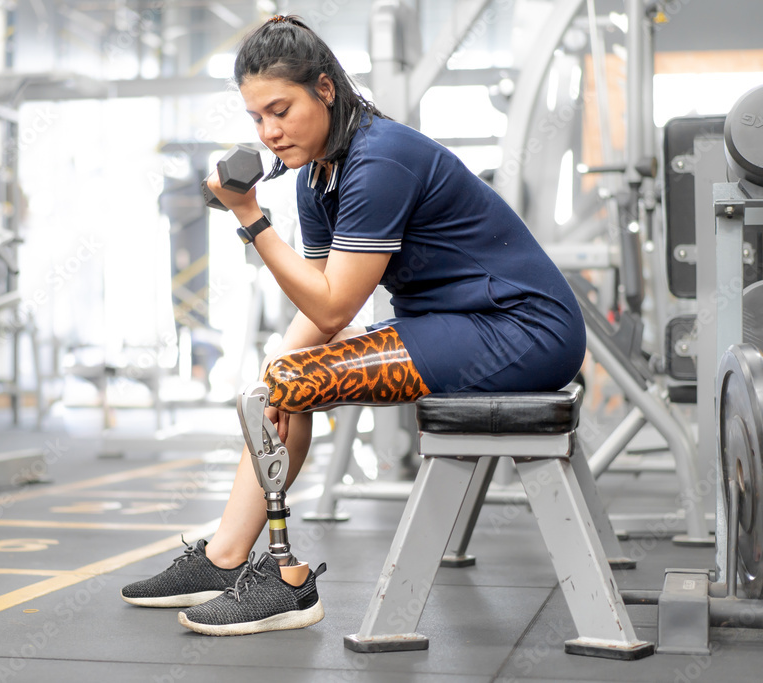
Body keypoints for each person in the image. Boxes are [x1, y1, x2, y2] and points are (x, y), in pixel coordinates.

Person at [121, 15, 587, 637]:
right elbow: (315, 304)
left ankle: (287, 581)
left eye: (280, 109)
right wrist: (272, 378)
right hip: (456, 325)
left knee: (293, 382)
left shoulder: (381, 158)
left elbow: (337, 308)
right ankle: (222, 559)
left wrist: (251, 218)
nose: (269, 131)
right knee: (277, 387)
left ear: (326, 88)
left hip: (522, 331)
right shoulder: (319, 176)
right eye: (257, 119)